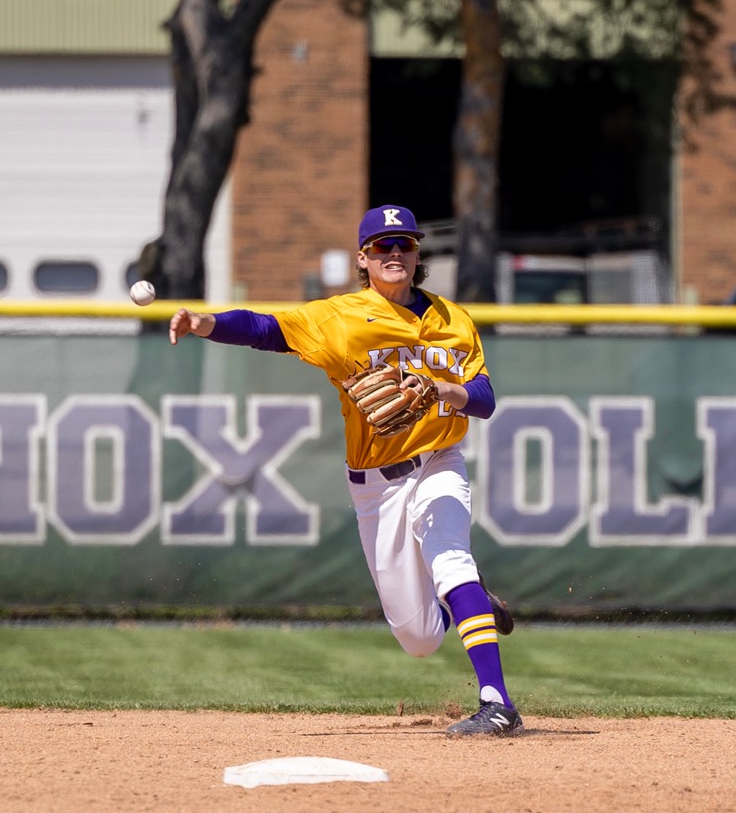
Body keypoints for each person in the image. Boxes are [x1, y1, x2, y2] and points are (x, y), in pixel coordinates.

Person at [168, 204, 522, 737]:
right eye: (383, 246)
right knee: (420, 638)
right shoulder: (340, 318)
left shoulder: (452, 318)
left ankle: (497, 701)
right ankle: (473, 602)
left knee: (451, 556)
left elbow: (485, 398)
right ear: (364, 257)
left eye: (404, 243)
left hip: (439, 461)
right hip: (377, 487)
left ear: (418, 253)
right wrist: (205, 323)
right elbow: (267, 328)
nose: (395, 253)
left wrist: (442, 391)